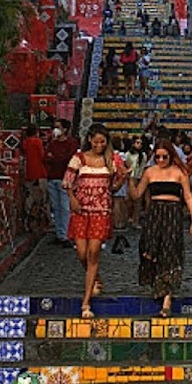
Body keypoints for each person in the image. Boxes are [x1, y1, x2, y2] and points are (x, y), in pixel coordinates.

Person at [64, 124, 127, 318]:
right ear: (90, 139)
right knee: (82, 253)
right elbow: (67, 182)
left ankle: (86, 301)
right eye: (96, 141)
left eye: (103, 142)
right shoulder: (79, 158)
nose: (99, 145)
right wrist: (72, 199)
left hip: (101, 211)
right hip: (81, 210)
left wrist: (122, 179)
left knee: (93, 253)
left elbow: (114, 187)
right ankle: (96, 279)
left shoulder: (112, 160)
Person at [132, 139, 192, 317]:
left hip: (172, 215)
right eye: (158, 157)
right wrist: (128, 179)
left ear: (171, 156)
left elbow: (189, 196)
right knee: (149, 249)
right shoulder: (149, 172)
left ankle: (167, 298)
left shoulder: (179, 173)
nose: (161, 160)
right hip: (154, 214)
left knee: (170, 252)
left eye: (165, 157)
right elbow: (137, 194)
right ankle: (157, 283)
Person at [44, 119, 81, 247]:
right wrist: (54, 158)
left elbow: (68, 159)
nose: (55, 130)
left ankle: (66, 235)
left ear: (65, 129)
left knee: (65, 207)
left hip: (65, 178)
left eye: (58, 127)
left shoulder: (71, 143)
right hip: (52, 177)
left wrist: (54, 158)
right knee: (56, 207)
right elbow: (46, 157)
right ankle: (59, 234)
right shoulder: (52, 143)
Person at [21, 125, 49, 233]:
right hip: (39, 172)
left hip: (28, 174)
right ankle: (40, 223)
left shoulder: (25, 143)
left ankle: (28, 222)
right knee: (40, 199)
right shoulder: (37, 142)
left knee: (29, 198)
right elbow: (42, 156)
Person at [124, 134, 150, 228]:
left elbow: (143, 168)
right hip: (130, 178)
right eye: (137, 143)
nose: (139, 145)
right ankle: (128, 217)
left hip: (139, 178)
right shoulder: (128, 155)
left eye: (141, 143)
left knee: (138, 201)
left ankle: (136, 220)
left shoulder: (143, 155)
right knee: (128, 200)